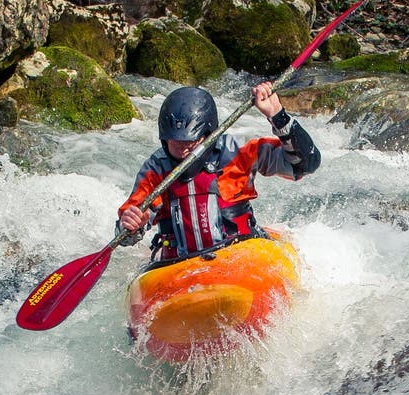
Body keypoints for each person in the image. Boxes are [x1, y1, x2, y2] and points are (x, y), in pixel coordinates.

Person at [117, 82, 321, 262]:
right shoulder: (155, 170)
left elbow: (306, 164)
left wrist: (277, 115)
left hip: (240, 253)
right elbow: (125, 235)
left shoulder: (237, 152)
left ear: (208, 134)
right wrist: (131, 226)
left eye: (190, 142)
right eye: (175, 142)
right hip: (179, 265)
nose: (183, 149)